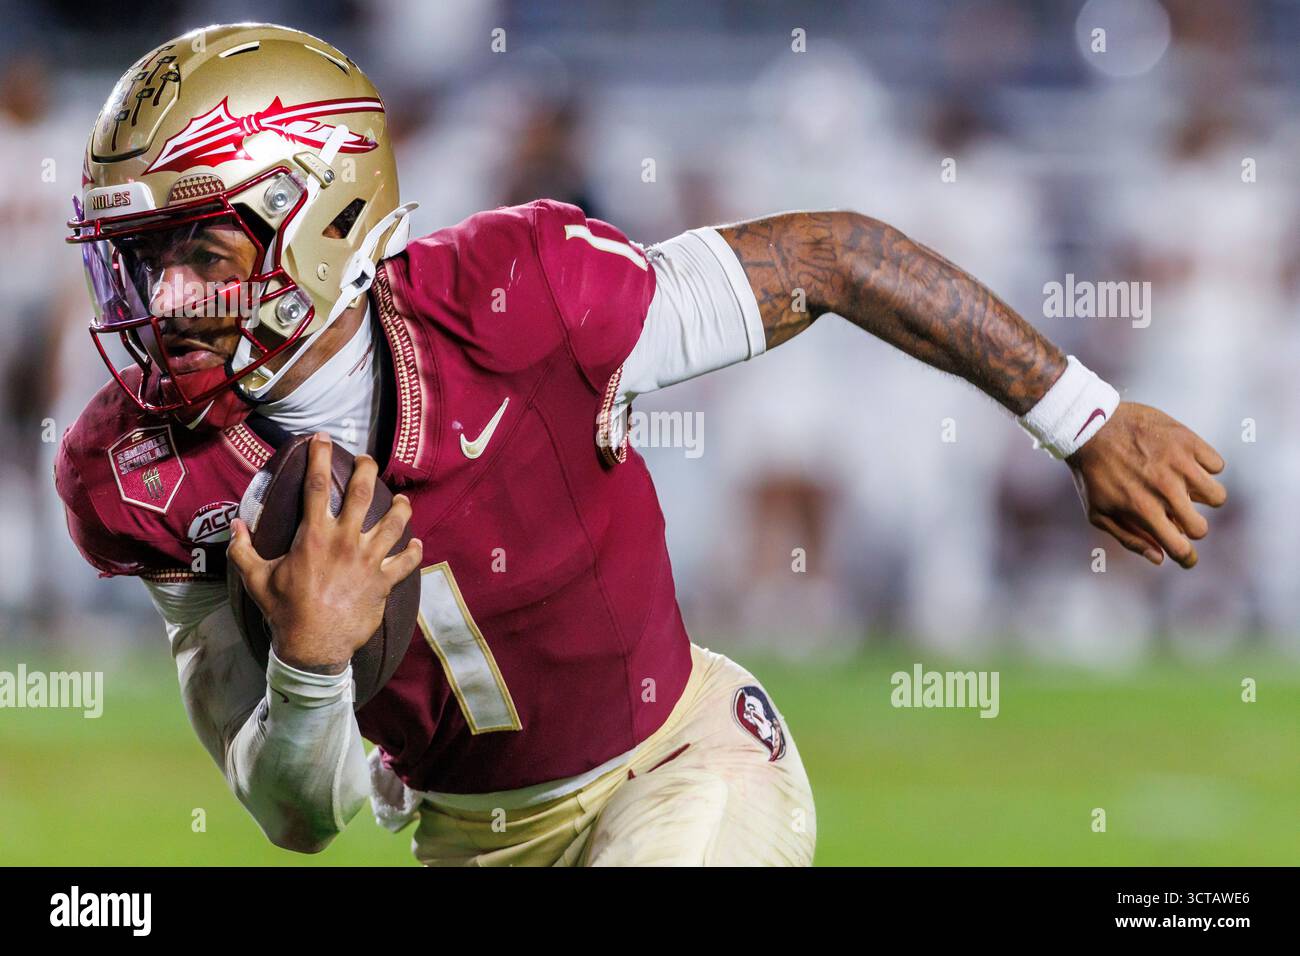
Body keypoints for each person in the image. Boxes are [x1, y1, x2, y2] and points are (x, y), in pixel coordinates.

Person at [56, 24, 1226, 866]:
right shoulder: (144, 470)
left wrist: (1085, 419)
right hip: (467, 836)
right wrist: (311, 668)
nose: (161, 299)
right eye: (138, 258)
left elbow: (830, 257)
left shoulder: (520, 293)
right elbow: (294, 818)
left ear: (326, 219)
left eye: (199, 252)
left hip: (679, 768)